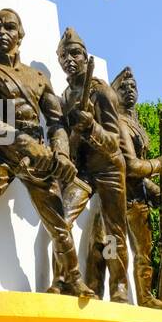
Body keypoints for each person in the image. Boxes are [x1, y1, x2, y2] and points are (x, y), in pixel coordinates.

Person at [0, 9, 91, 296]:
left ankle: (71, 278)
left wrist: (62, 154)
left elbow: (56, 122)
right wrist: (26, 144)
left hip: (39, 157)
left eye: (9, 27)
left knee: (58, 223)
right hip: (4, 150)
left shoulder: (38, 78)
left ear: (21, 34)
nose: (3, 32)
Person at [87, 67, 162, 308]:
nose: (129, 91)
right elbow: (132, 167)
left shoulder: (137, 125)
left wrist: (160, 194)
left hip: (138, 198)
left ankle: (145, 297)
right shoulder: (118, 124)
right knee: (107, 248)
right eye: (123, 87)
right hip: (116, 196)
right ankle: (102, 291)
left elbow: (140, 176)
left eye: (133, 86)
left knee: (144, 254)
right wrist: (159, 164)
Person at [57, 28, 131, 303]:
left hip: (110, 166)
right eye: (64, 56)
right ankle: (65, 279)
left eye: (75, 53)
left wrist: (90, 126)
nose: (70, 60)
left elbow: (114, 142)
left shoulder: (101, 92)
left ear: (85, 55)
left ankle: (119, 287)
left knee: (114, 230)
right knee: (61, 220)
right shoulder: (64, 97)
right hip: (84, 170)